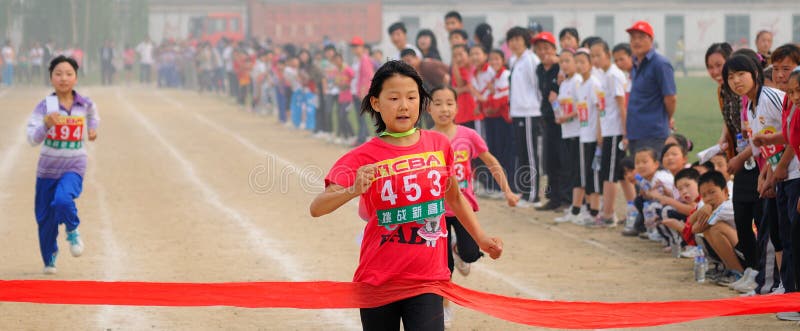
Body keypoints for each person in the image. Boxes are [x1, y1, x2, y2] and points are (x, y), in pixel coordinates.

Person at [309, 60, 503, 331]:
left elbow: (455, 198)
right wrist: (354, 189)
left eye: (412, 97)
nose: (404, 105)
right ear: (376, 103)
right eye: (394, 98)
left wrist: (481, 238)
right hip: (378, 280)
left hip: (428, 280)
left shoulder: (438, 145)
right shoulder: (362, 156)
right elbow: (317, 207)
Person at [427, 85, 518, 328]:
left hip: (463, 207)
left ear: (457, 107)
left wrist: (507, 191)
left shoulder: (468, 136)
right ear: (428, 108)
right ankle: (444, 306)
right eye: (438, 103)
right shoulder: (425, 139)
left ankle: (460, 251)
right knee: (442, 267)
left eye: (449, 103)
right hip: (435, 212)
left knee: (470, 253)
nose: (444, 109)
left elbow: (491, 162)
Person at [26, 56, 99, 274]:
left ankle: (72, 228)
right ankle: (50, 257)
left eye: (68, 74)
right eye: (58, 74)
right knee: (45, 218)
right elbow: (32, 138)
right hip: (47, 169)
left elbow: (94, 117)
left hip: (74, 165)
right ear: (51, 78)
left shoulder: (85, 104)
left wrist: (93, 129)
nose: (63, 78)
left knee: (63, 200)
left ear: (76, 77)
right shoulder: (45, 107)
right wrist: (45, 126)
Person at [590, 38, 628, 225]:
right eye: (592, 56)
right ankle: (633, 211)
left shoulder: (614, 75)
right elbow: (602, 108)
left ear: (608, 55)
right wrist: (600, 131)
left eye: (598, 55)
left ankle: (607, 214)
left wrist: (625, 132)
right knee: (621, 174)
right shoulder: (603, 76)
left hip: (616, 131)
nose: (595, 59)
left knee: (610, 174)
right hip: (607, 130)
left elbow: (622, 106)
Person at [625, 20, 677, 158]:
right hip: (634, 132)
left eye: (641, 37)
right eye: (633, 38)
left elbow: (670, 98)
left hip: (652, 134)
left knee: (653, 174)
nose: (636, 42)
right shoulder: (635, 65)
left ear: (651, 40)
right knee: (638, 175)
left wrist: (668, 118)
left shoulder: (660, 64)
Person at [506, 26, 542, 206]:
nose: (514, 43)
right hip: (517, 112)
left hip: (530, 112)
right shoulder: (514, 60)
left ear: (525, 40)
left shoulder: (531, 59)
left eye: (518, 39)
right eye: (511, 40)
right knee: (521, 153)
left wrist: (538, 106)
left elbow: (537, 86)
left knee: (530, 153)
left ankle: (534, 195)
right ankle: (525, 191)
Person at [532, 31, 567, 211]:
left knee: (563, 160)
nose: (543, 52)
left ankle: (565, 199)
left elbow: (572, 64)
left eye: (546, 48)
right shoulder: (539, 69)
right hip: (547, 118)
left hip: (563, 120)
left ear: (554, 49)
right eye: (539, 49)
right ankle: (553, 198)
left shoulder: (561, 66)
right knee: (549, 161)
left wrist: (560, 60)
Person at [554, 49, 587, 224]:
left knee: (578, 170)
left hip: (578, 131)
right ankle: (575, 208)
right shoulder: (565, 83)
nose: (565, 65)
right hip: (567, 131)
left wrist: (568, 116)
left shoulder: (578, 81)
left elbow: (582, 106)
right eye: (562, 62)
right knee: (572, 169)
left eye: (568, 61)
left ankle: (580, 208)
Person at [691, 171, 742, 285]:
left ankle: (738, 273)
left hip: (752, 251)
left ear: (725, 191)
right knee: (708, 230)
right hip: (741, 248)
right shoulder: (714, 208)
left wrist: (705, 209)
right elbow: (691, 224)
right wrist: (703, 209)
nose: (708, 198)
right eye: (704, 195)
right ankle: (730, 269)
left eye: (712, 192)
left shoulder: (727, 207)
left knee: (717, 228)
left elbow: (695, 228)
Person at [573, 48, 603, 225]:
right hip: (583, 134)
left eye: (583, 62)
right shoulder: (580, 85)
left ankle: (595, 211)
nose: (579, 65)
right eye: (577, 62)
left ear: (590, 64)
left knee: (593, 175)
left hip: (592, 135)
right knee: (585, 174)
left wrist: (599, 132)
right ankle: (589, 209)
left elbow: (600, 109)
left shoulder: (594, 84)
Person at [349, 36, 375, 146]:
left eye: (357, 46)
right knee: (360, 116)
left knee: (362, 116)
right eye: (353, 46)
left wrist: (364, 92)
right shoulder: (356, 60)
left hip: (362, 92)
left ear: (362, 47)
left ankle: (362, 138)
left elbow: (368, 76)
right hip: (355, 91)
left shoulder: (365, 59)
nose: (355, 49)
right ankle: (363, 136)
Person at [333, 53, 355, 144]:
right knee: (341, 117)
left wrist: (349, 85)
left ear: (342, 60)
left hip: (349, 97)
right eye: (335, 60)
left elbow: (354, 77)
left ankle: (351, 135)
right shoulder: (337, 71)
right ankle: (347, 136)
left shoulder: (347, 69)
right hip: (341, 97)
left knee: (343, 116)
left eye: (339, 59)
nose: (337, 61)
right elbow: (337, 82)